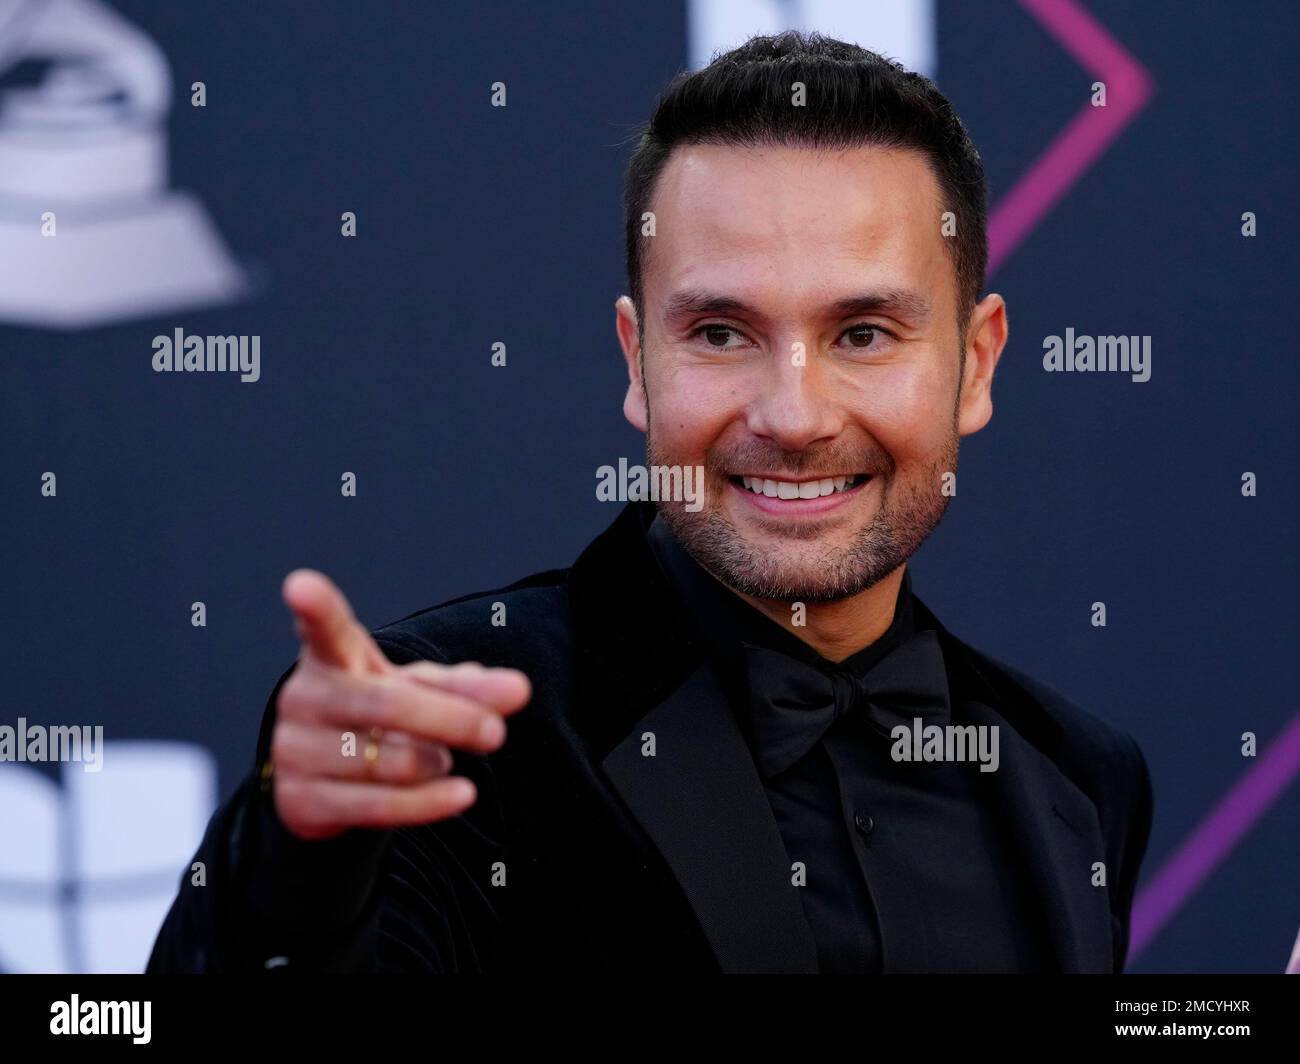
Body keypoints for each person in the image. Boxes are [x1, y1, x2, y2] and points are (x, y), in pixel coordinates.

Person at [147, 30, 1153, 974]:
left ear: (974, 365)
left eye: (863, 333)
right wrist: (293, 863)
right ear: (637, 359)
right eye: (721, 332)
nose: (794, 416)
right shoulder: (447, 725)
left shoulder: (1076, 775)